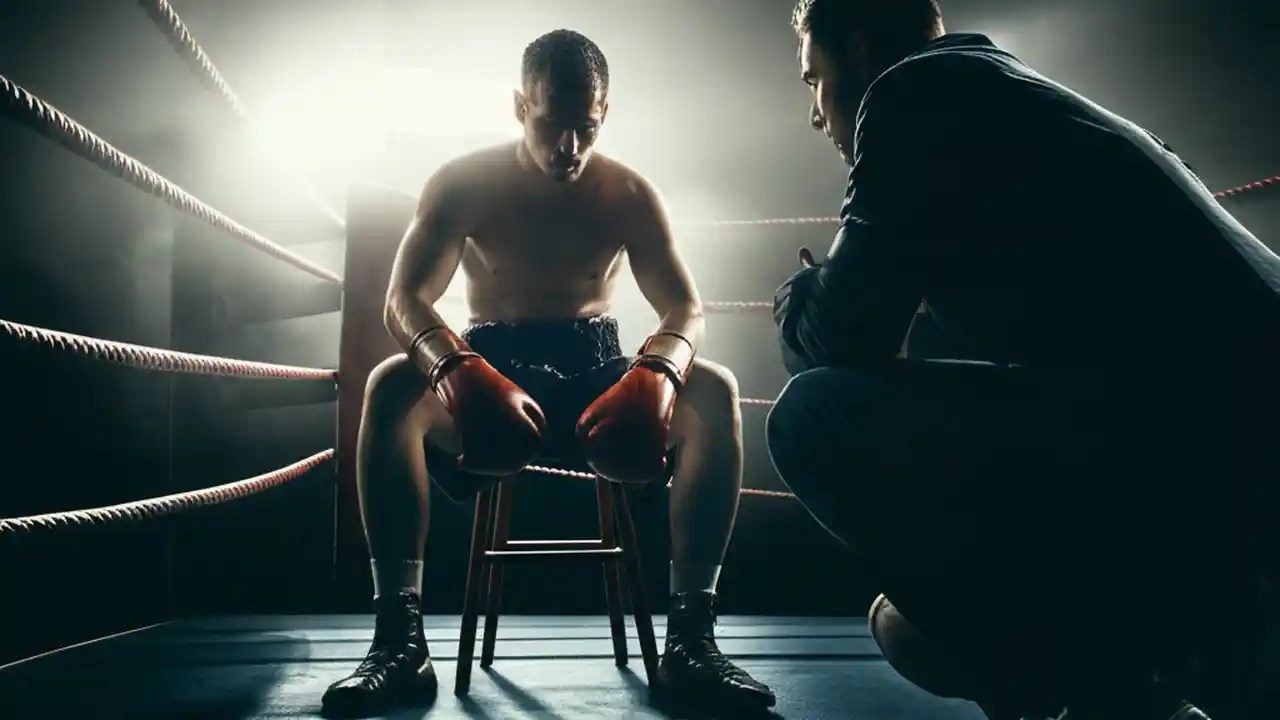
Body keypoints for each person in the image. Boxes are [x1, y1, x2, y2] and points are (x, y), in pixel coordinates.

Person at [767, 1, 1280, 719]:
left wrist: (803, 295)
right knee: (914, 624)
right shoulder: (1019, 102)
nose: (817, 115)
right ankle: (1124, 675)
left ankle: (1116, 678)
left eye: (812, 79)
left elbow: (840, 342)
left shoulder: (908, 92)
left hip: (1204, 446)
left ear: (856, 50)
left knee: (810, 418)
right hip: (1212, 434)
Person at [320, 29, 775, 718]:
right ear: (517, 106)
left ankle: (692, 641)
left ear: (605, 114)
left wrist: (659, 370)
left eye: (584, 127)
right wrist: (453, 368)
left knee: (713, 389)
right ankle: (398, 643)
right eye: (551, 124)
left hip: (596, 373)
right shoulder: (463, 182)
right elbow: (402, 298)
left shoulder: (626, 191)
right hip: (487, 367)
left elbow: (684, 305)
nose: (568, 146)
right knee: (390, 388)